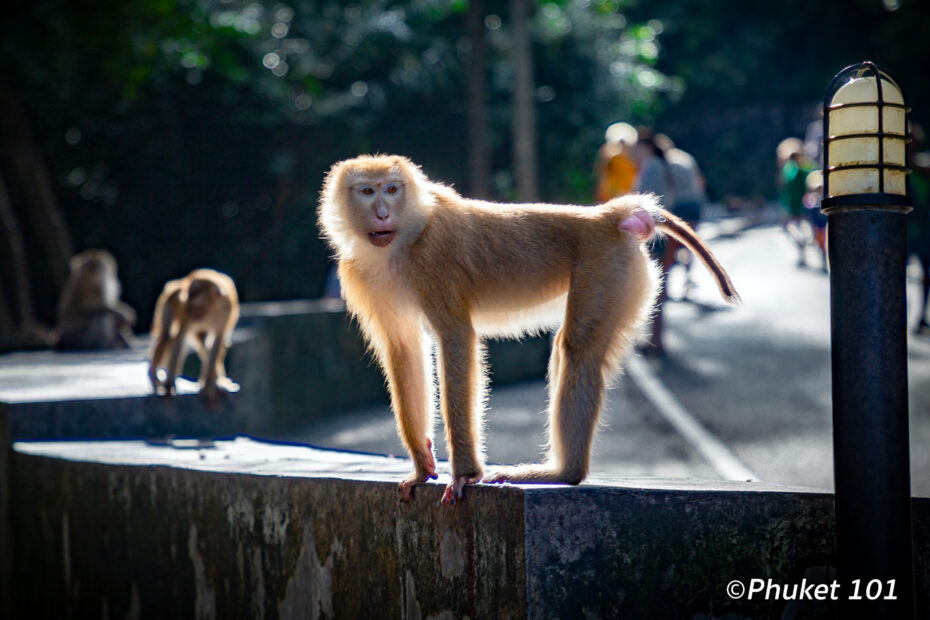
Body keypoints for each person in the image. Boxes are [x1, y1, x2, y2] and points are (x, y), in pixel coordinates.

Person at [631, 132, 673, 355]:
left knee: (655, 285)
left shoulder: (652, 166)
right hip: (655, 230)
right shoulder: (654, 165)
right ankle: (654, 339)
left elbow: (647, 201)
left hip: (654, 232)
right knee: (656, 284)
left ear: (645, 147)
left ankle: (655, 340)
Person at [656, 133, 706, 297]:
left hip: (678, 206)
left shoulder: (663, 161)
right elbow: (700, 181)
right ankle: (687, 279)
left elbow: (665, 187)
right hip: (695, 204)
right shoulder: (686, 157)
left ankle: (665, 285)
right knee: (689, 244)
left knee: (670, 248)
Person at [776, 137, 816, 267]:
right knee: (801, 227)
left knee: (794, 227)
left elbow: (784, 184)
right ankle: (804, 248)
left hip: (796, 204)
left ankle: (803, 248)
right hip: (800, 204)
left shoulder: (790, 169)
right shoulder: (804, 167)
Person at [908, 123, 930, 334]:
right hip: (904, 230)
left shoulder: (924, 170)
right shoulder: (897, 171)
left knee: (926, 274)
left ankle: (921, 316)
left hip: (921, 229)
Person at [595, 122, 638, 202]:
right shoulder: (609, 156)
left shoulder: (633, 159)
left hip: (627, 196)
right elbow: (601, 174)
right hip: (610, 197)